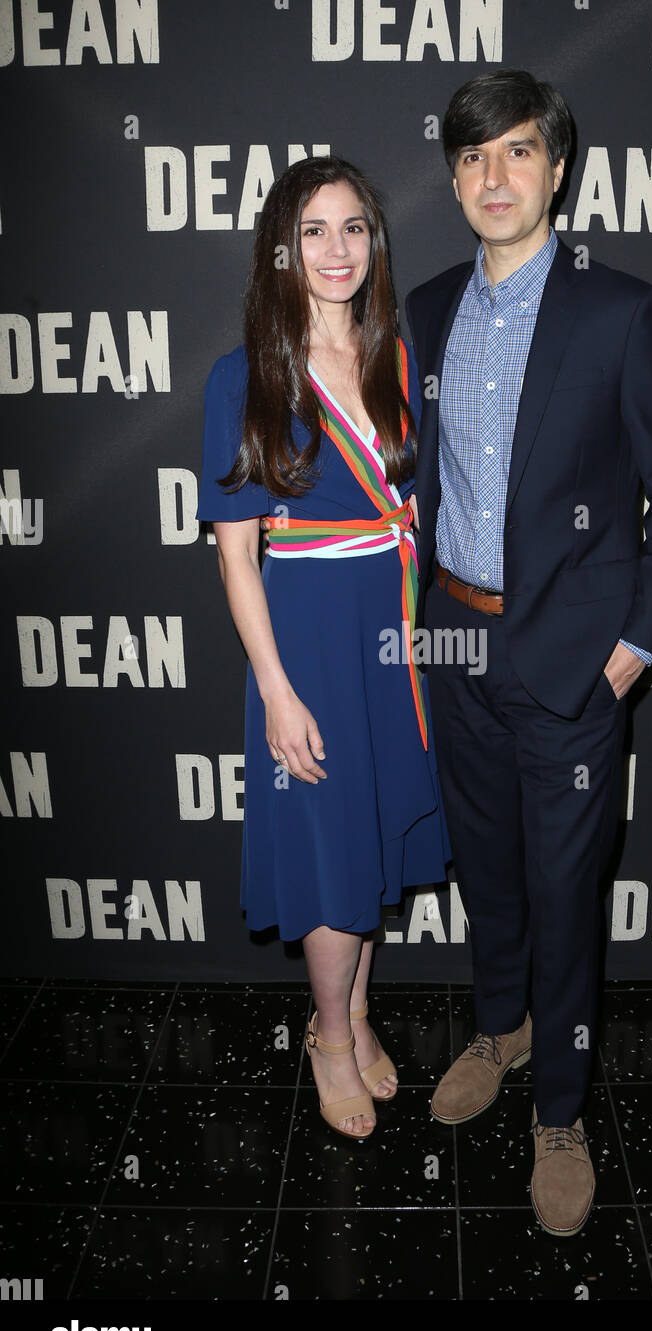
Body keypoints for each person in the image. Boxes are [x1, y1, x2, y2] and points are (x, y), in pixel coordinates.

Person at [404, 71, 652, 1234]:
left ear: (556, 169)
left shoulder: (619, 311)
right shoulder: (426, 308)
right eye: (473, 158)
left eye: (517, 153)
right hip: (454, 641)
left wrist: (630, 652)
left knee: (564, 894)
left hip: (574, 667)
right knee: (486, 870)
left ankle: (562, 1111)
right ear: (453, 177)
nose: (493, 177)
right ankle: (502, 1027)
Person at [196, 156, 451, 1140]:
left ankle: (348, 1011)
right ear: (281, 247)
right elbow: (234, 557)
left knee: (371, 834)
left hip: (391, 632)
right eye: (314, 229)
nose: (336, 249)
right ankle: (331, 1038)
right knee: (327, 849)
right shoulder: (245, 376)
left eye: (353, 228)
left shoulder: (397, 357)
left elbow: (417, 504)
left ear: (373, 244)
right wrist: (276, 691)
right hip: (305, 644)